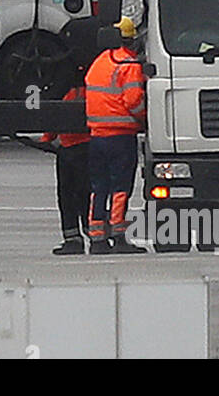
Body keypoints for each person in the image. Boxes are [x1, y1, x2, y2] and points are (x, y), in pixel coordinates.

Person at [84, 17, 147, 255]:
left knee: (98, 187)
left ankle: (97, 238)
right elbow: (133, 101)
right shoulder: (128, 64)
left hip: (97, 136)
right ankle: (119, 235)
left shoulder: (99, 62)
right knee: (121, 186)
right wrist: (145, 118)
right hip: (121, 136)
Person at [38, 75, 91, 255]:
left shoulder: (64, 91)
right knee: (84, 193)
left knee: (69, 195)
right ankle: (92, 234)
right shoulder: (91, 90)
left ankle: (74, 238)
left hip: (71, 150)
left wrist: (47, 139)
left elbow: (56, 117)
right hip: (86, 147)